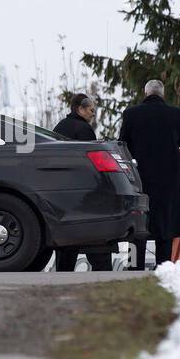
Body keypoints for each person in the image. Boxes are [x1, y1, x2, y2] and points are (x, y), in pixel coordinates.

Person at [118, 80, 180, 270]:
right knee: (165, 227)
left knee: (138, 225)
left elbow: (123, 143)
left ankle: (134, 269)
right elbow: (179, 138)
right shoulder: (175, 114)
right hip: (168, 179)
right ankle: (163, 268)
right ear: (162, 94)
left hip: (140, 179)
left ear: (145, 93)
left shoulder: (131, 114)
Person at [52, 94, 112, 271]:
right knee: (95, 244)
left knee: (66, 249)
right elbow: (91, 164)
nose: (94, 114)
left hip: (61, 193)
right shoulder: (84, 129)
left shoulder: (59, 126)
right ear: (80, 109)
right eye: (91, 110)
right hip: (82, 194)